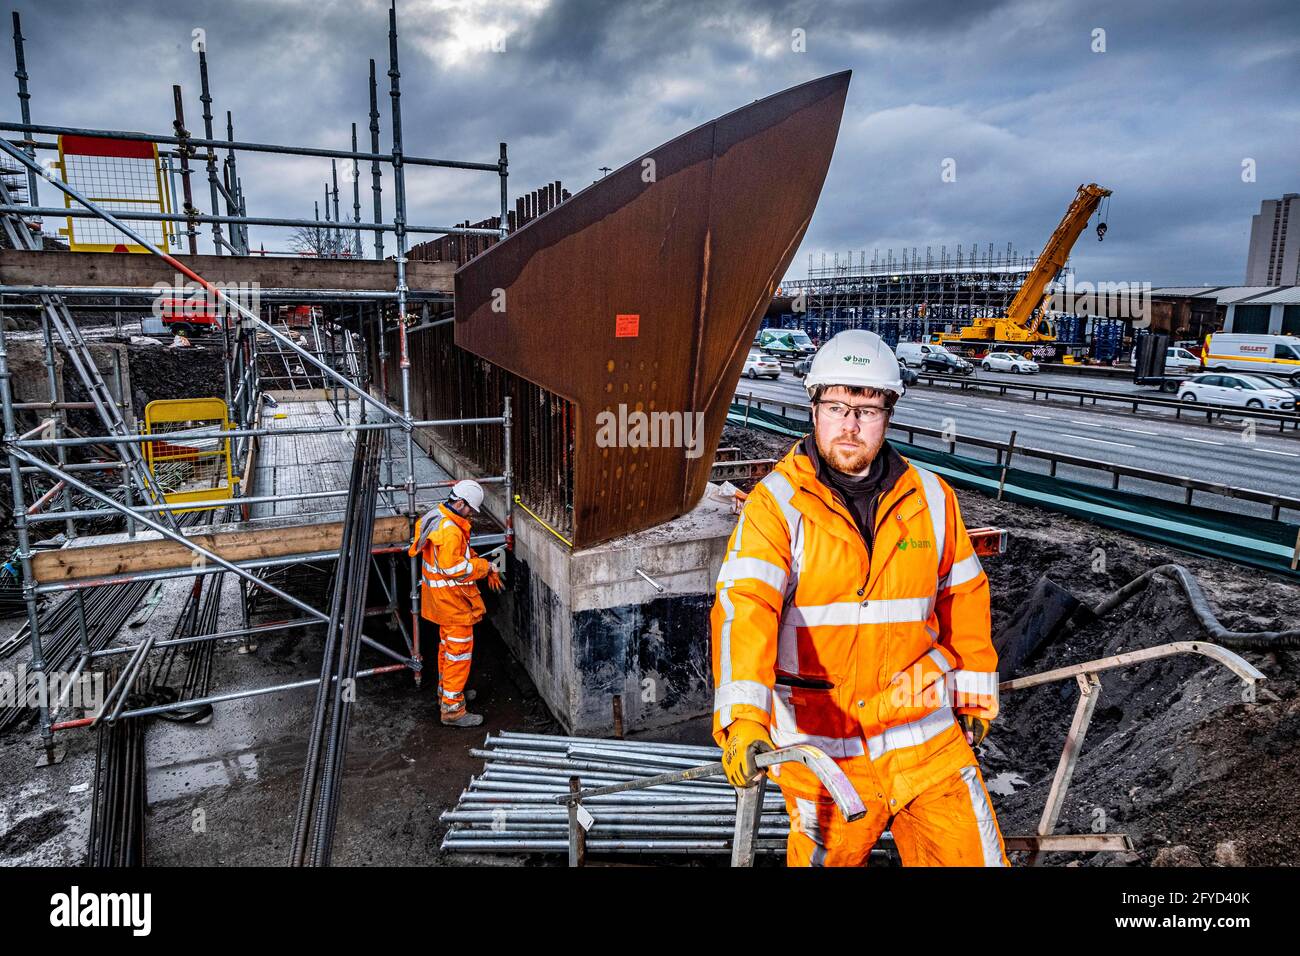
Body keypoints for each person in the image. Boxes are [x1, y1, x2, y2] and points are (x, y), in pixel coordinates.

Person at [710, 329, 1008, 866]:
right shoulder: (776, 506)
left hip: (928, 743)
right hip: (827, 752)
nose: (850, 424)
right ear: (815, 406)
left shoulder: (933, 499)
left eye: (866, 410)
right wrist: (744, 720)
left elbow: (964, 598)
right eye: (837, 406)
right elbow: (745, 608)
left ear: (888, 413)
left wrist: (975, 694)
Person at [408, 479, 502, 727]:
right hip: (454, 603)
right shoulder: (450, 531)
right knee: (458, 654)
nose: (471, 514)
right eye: (470, 509)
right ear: (459, 503)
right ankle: (453, 711)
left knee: (447, 651)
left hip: (440, 602)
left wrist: (479, 563)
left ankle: (447, 695)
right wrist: (486, 566)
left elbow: (458, 555)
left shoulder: (438, 516)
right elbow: (456, 568)